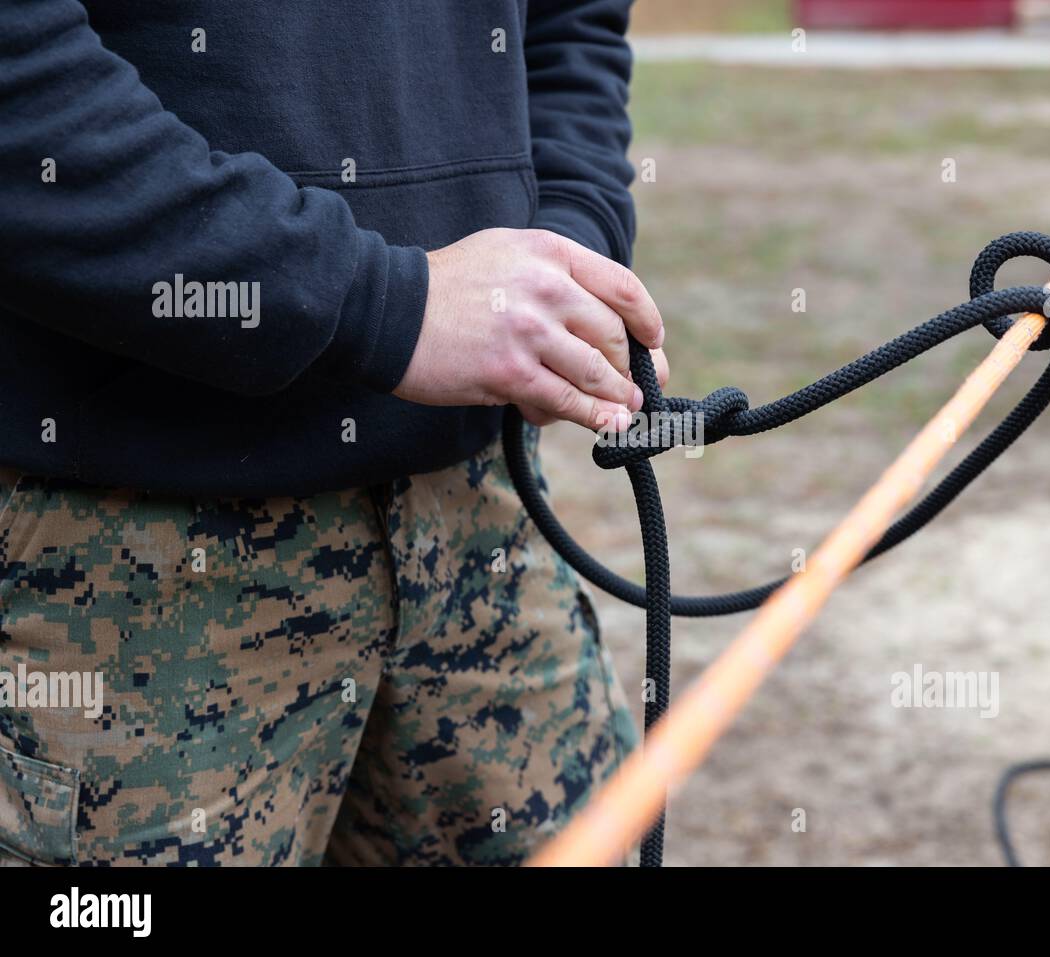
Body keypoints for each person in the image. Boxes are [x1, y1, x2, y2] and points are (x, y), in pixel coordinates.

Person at [0, 0, 667, 866]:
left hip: (480, 522)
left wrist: (569, 246)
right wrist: (380, 304)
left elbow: (573, 21)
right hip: (123, 561)